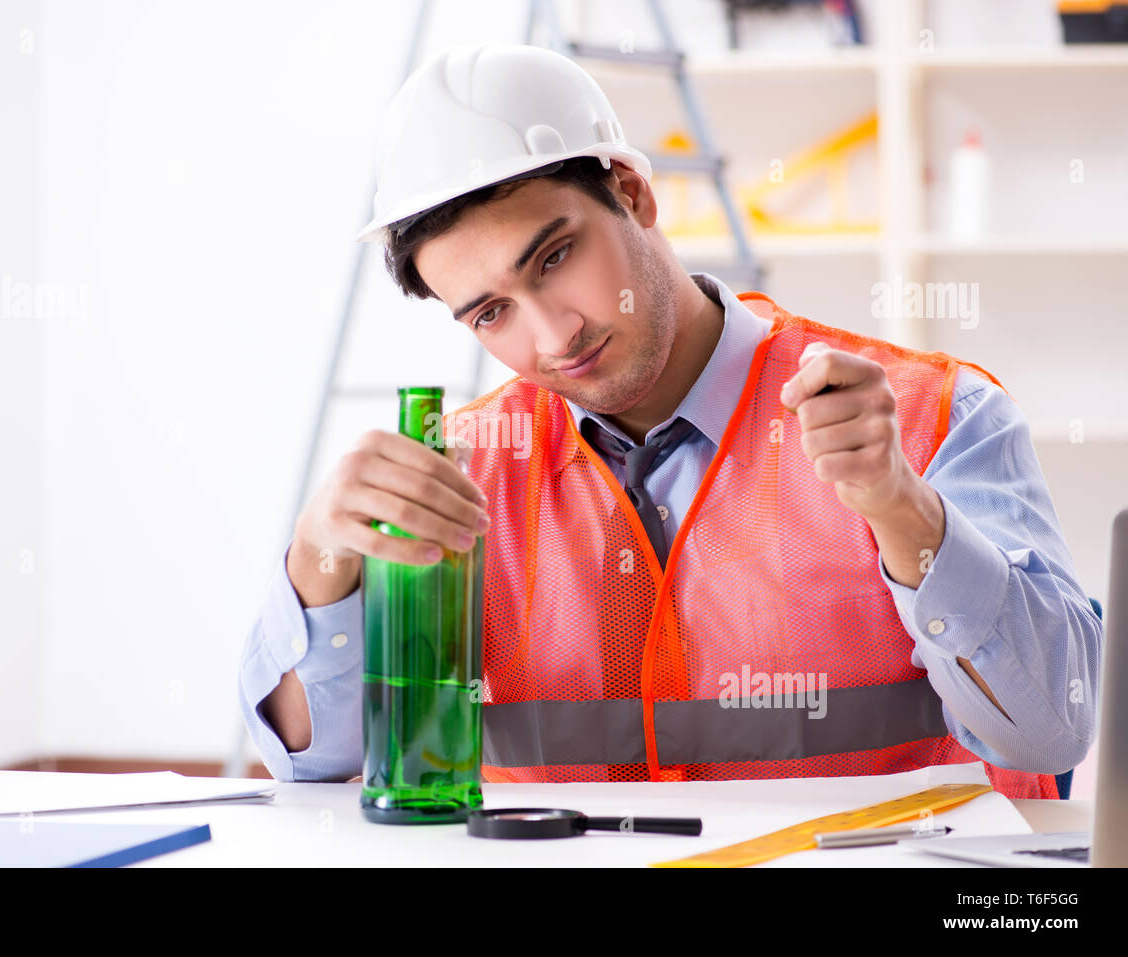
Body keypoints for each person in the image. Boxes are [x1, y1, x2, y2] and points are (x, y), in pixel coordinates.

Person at [238, 42, 1100, 798]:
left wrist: (900, 508)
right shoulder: (464, 477)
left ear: (633, 191)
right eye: (491, 313)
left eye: (556, 257)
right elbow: (313, 764)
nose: (554, 336)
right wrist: (320, 558)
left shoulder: (932, 418)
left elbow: (1052, 732)